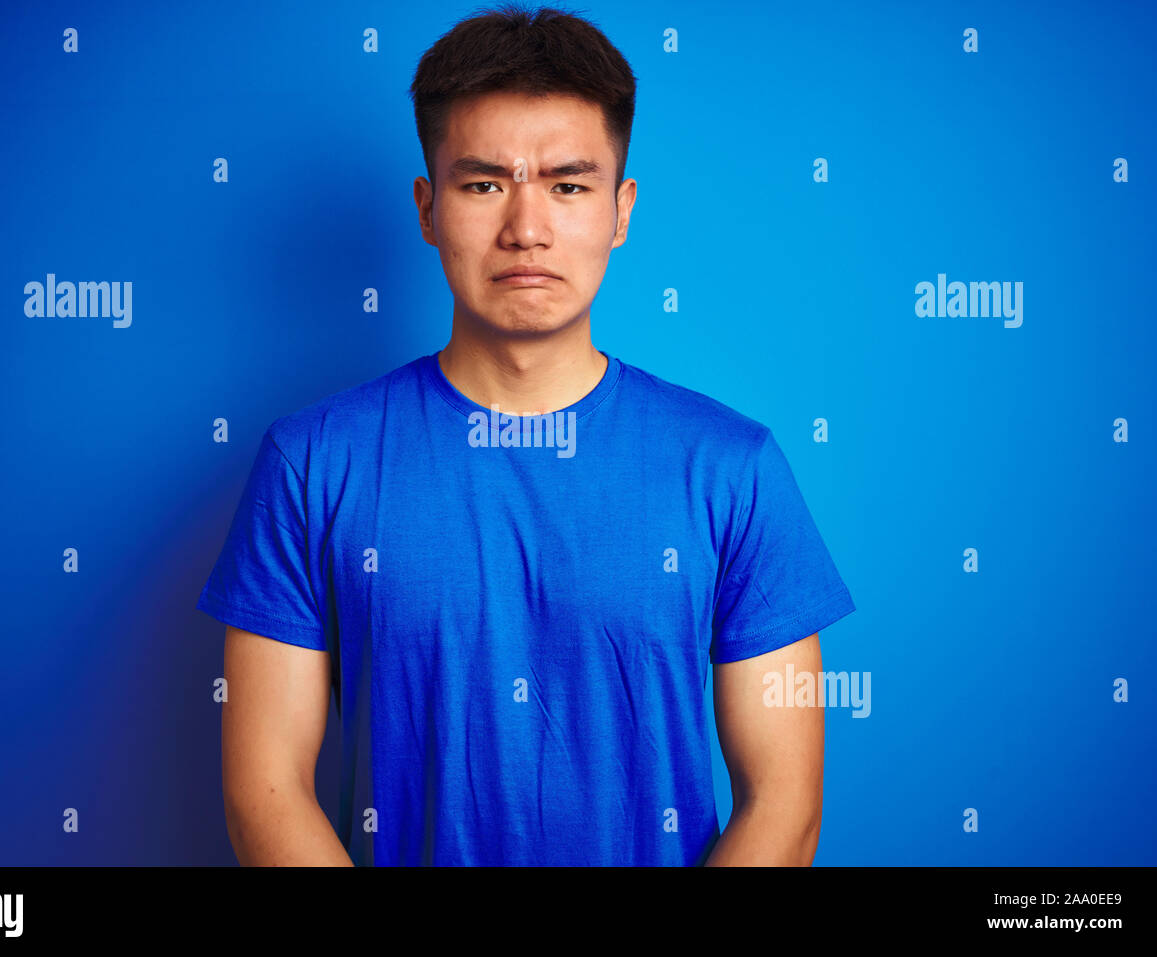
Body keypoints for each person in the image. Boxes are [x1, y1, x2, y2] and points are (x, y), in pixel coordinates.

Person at [196, 2, 856, 866]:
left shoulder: (734, 468)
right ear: (428, 209)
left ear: (620, 211)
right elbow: (265, 792)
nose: (527, 228)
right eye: (483, 184)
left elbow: (785, 803)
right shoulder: (312, 463)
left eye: (568, 184)